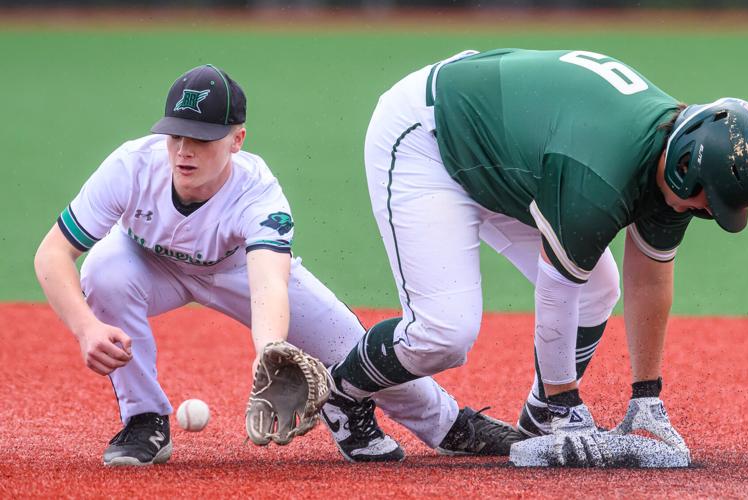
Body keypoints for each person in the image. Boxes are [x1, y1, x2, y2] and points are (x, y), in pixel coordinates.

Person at [33, 64, 524, 467]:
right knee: (102, 270)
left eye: (203, 138)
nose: (185, 150)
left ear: (236, 138)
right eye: (177, 135)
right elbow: (52, 253)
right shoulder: (130, 167)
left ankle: (446, 424)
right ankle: (145, 420)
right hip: (147, 265)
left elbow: (268, 282)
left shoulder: (259, 193)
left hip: (234, 271)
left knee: (350, 348)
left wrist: (270, 351)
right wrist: (85, 329)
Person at [326, 49, 748, 464]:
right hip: (428, 137)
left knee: (600, 288)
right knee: (445, 331)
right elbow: (557, 285)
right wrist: (569, 402)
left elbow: (651, 276)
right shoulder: (601, 174)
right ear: (686, 167)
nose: (708, 211)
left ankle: (543, 414)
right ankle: (340, 392)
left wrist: (646, 397)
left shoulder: (674, 161)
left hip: (513, 151)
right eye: (712, 200)